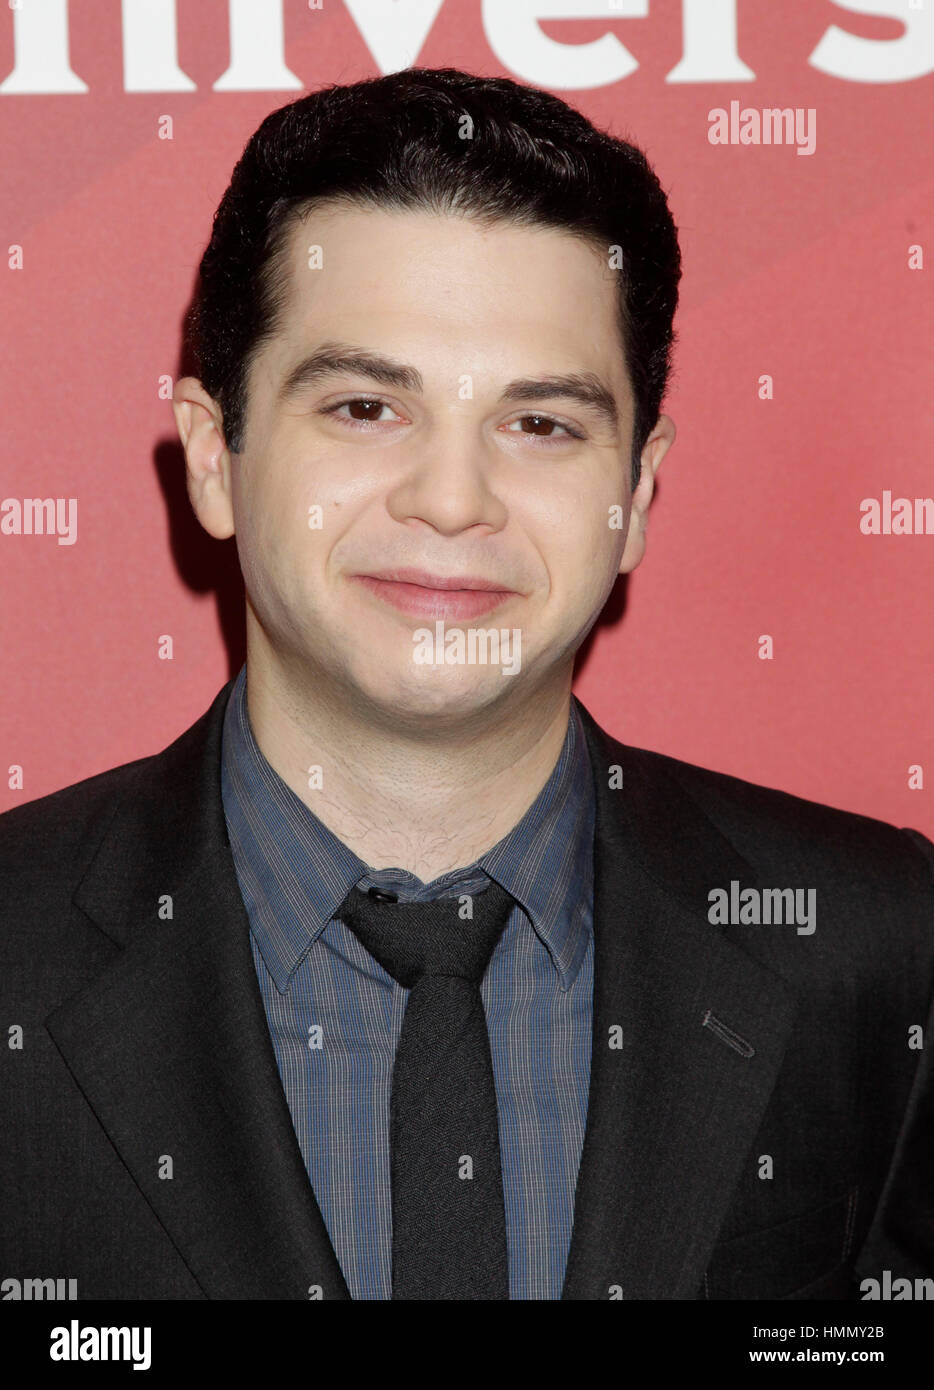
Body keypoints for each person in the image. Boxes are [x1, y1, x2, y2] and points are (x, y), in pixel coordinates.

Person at [2, 66, 932, 1303]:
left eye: (540, 424)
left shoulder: (874, 954)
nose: (451, 498)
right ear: (214, 456)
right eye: (365, 405)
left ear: (636, 494)